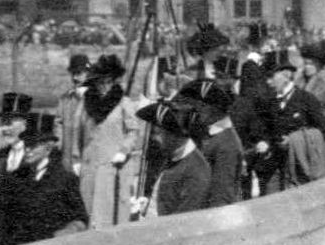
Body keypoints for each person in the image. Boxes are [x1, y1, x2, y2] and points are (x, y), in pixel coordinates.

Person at [0, 113, 88, 245]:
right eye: (26, 145)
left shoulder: (65, 179)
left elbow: (81, 219)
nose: (28, 150)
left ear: (48, 148)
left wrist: (65, 233)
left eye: (34, 145)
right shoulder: (15, 178)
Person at [79, 54, 142, 228]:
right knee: (90, 211)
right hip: (91, 165)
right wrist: (78, 159)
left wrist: (124, 150)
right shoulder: (87, 105)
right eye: (99, 83)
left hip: (114, 165)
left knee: (113, 210)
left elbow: (133, 131)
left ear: (114, 81)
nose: (103, 87)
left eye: (107, 82)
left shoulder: (123, 103)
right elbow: (79, 132)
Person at [257, 63, 325, 193]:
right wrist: (264, 142)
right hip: (274, 166)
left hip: (300, 168)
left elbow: (323, 131)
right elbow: (264, 130)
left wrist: (294, 140)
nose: (268, 82)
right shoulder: (268, 102)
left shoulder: (306, 99)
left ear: (286, 76)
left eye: (271, 77)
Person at [131, 99, 211, 217]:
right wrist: (147, 207)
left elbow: (184, 221)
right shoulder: (171, 156)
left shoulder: (196, 171)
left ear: (175, 136)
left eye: (159, 133)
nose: (154, 138)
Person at [176, 80, 245, 208]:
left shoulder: (226, 144)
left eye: (202, 106)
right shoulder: (210, 134)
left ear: (215, 108)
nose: (197, 110)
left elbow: (222, 194)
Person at [0, 92, 34, 245]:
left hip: (24, 234)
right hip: (0, 232)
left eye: (11, 123)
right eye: (3, 123)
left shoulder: (34, 156)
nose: (5, 129)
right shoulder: (3, 154)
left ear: (25, 125)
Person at [56, 53, 91, 176]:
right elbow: (58, 125)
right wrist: (57, 147)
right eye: (73, 73)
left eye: (79, 73)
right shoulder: (65, 99)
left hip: (88, 162)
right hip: (68, 163)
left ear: (88, 73)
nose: (75, 78)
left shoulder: (96, 99)